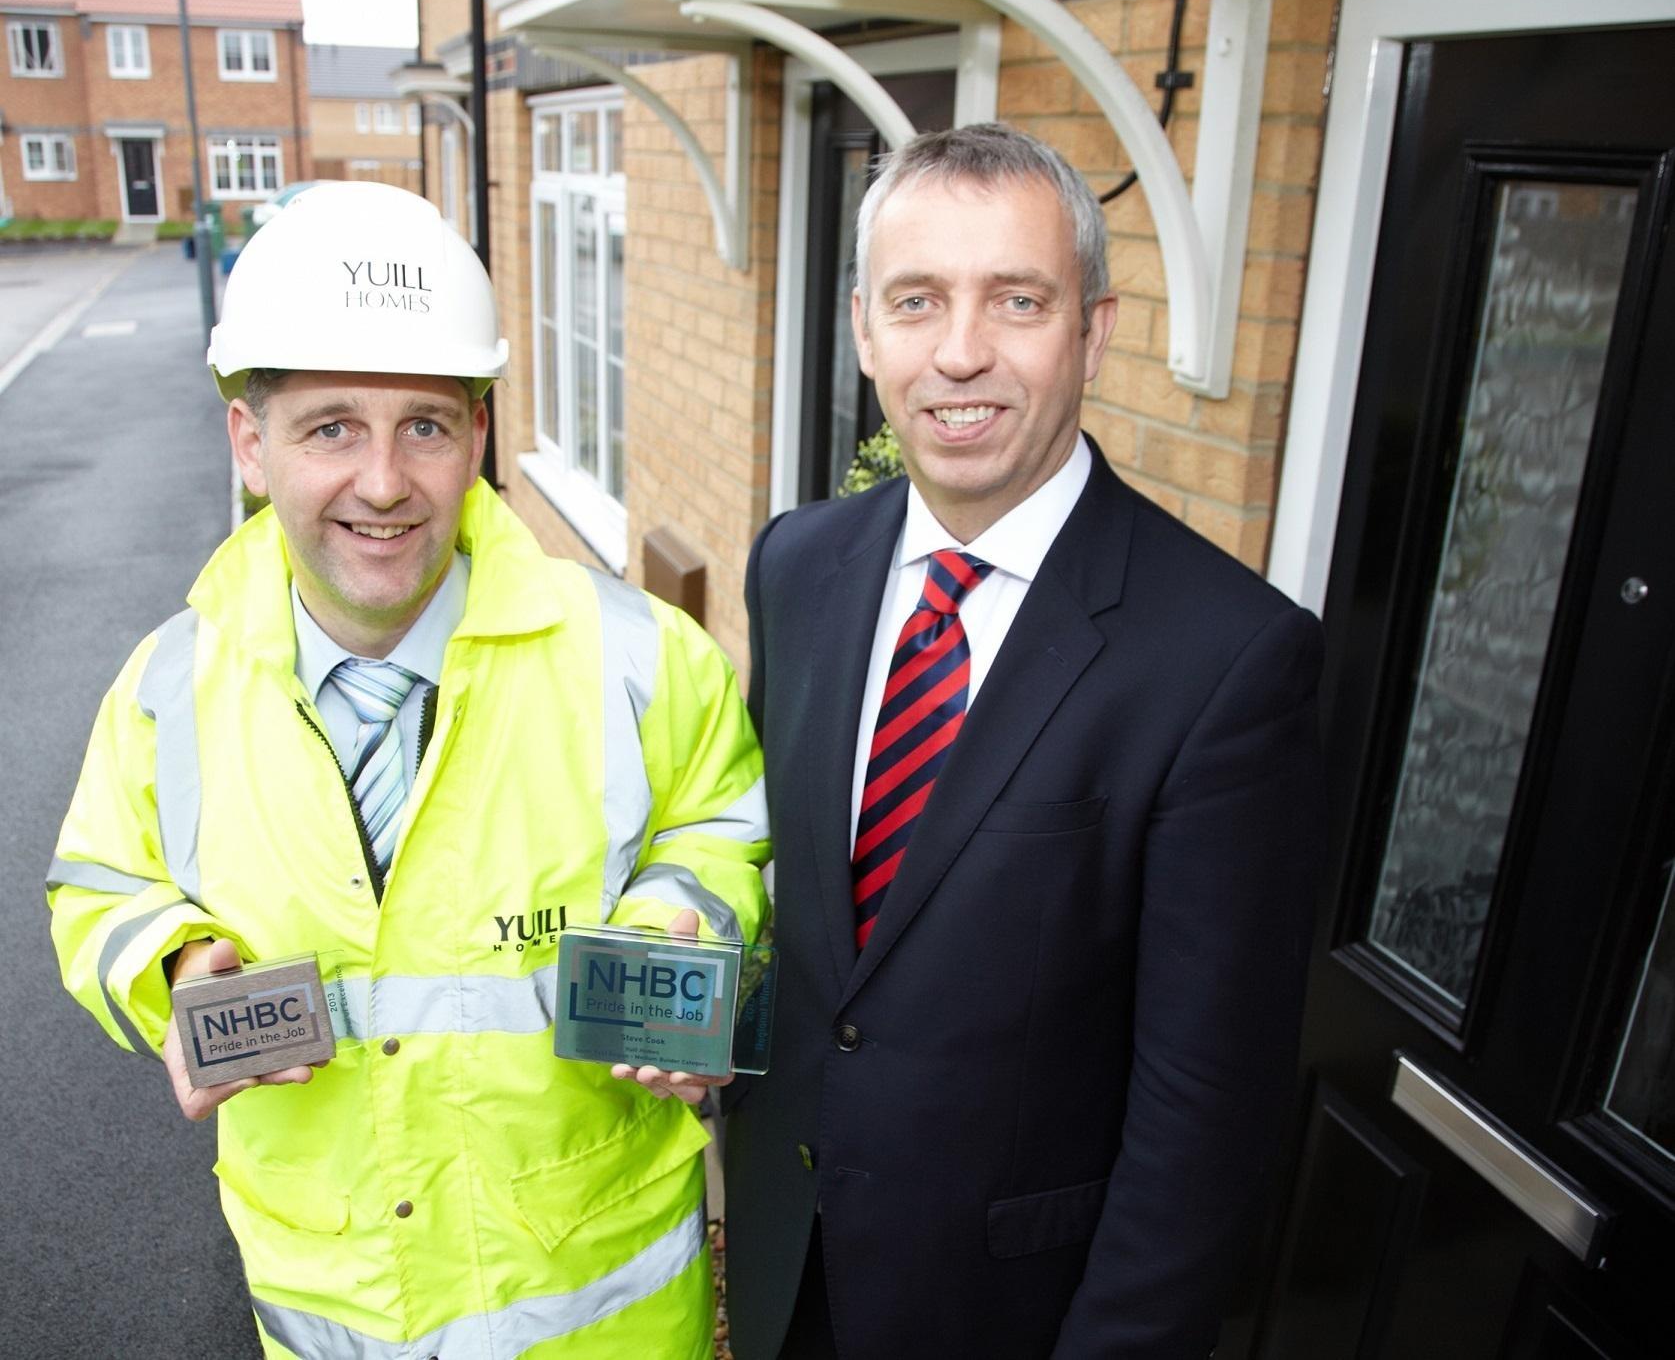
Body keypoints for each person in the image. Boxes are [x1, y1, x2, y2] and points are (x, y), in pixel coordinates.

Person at [46, 182, 769, 1358]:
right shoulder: (164, 689)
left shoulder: (641, 656)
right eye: (331, 427)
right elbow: (95, 885)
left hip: (607, 1317)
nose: (383, 482)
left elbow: (726, 827)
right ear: (249, 443)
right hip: (333, 1315)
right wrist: (168, 962)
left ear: (477, 437)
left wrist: (675, 923)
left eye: (424, 426)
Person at [721, 123, 1325, 1358]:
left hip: (1007, 1310)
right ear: (864, 330)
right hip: (789, 1258)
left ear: (1092, 331)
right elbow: (813, 925)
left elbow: (1204, 1111)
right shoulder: (795, 565)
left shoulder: (1228, 659)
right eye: (917, 300)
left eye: (1017, 300)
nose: (959, 352)